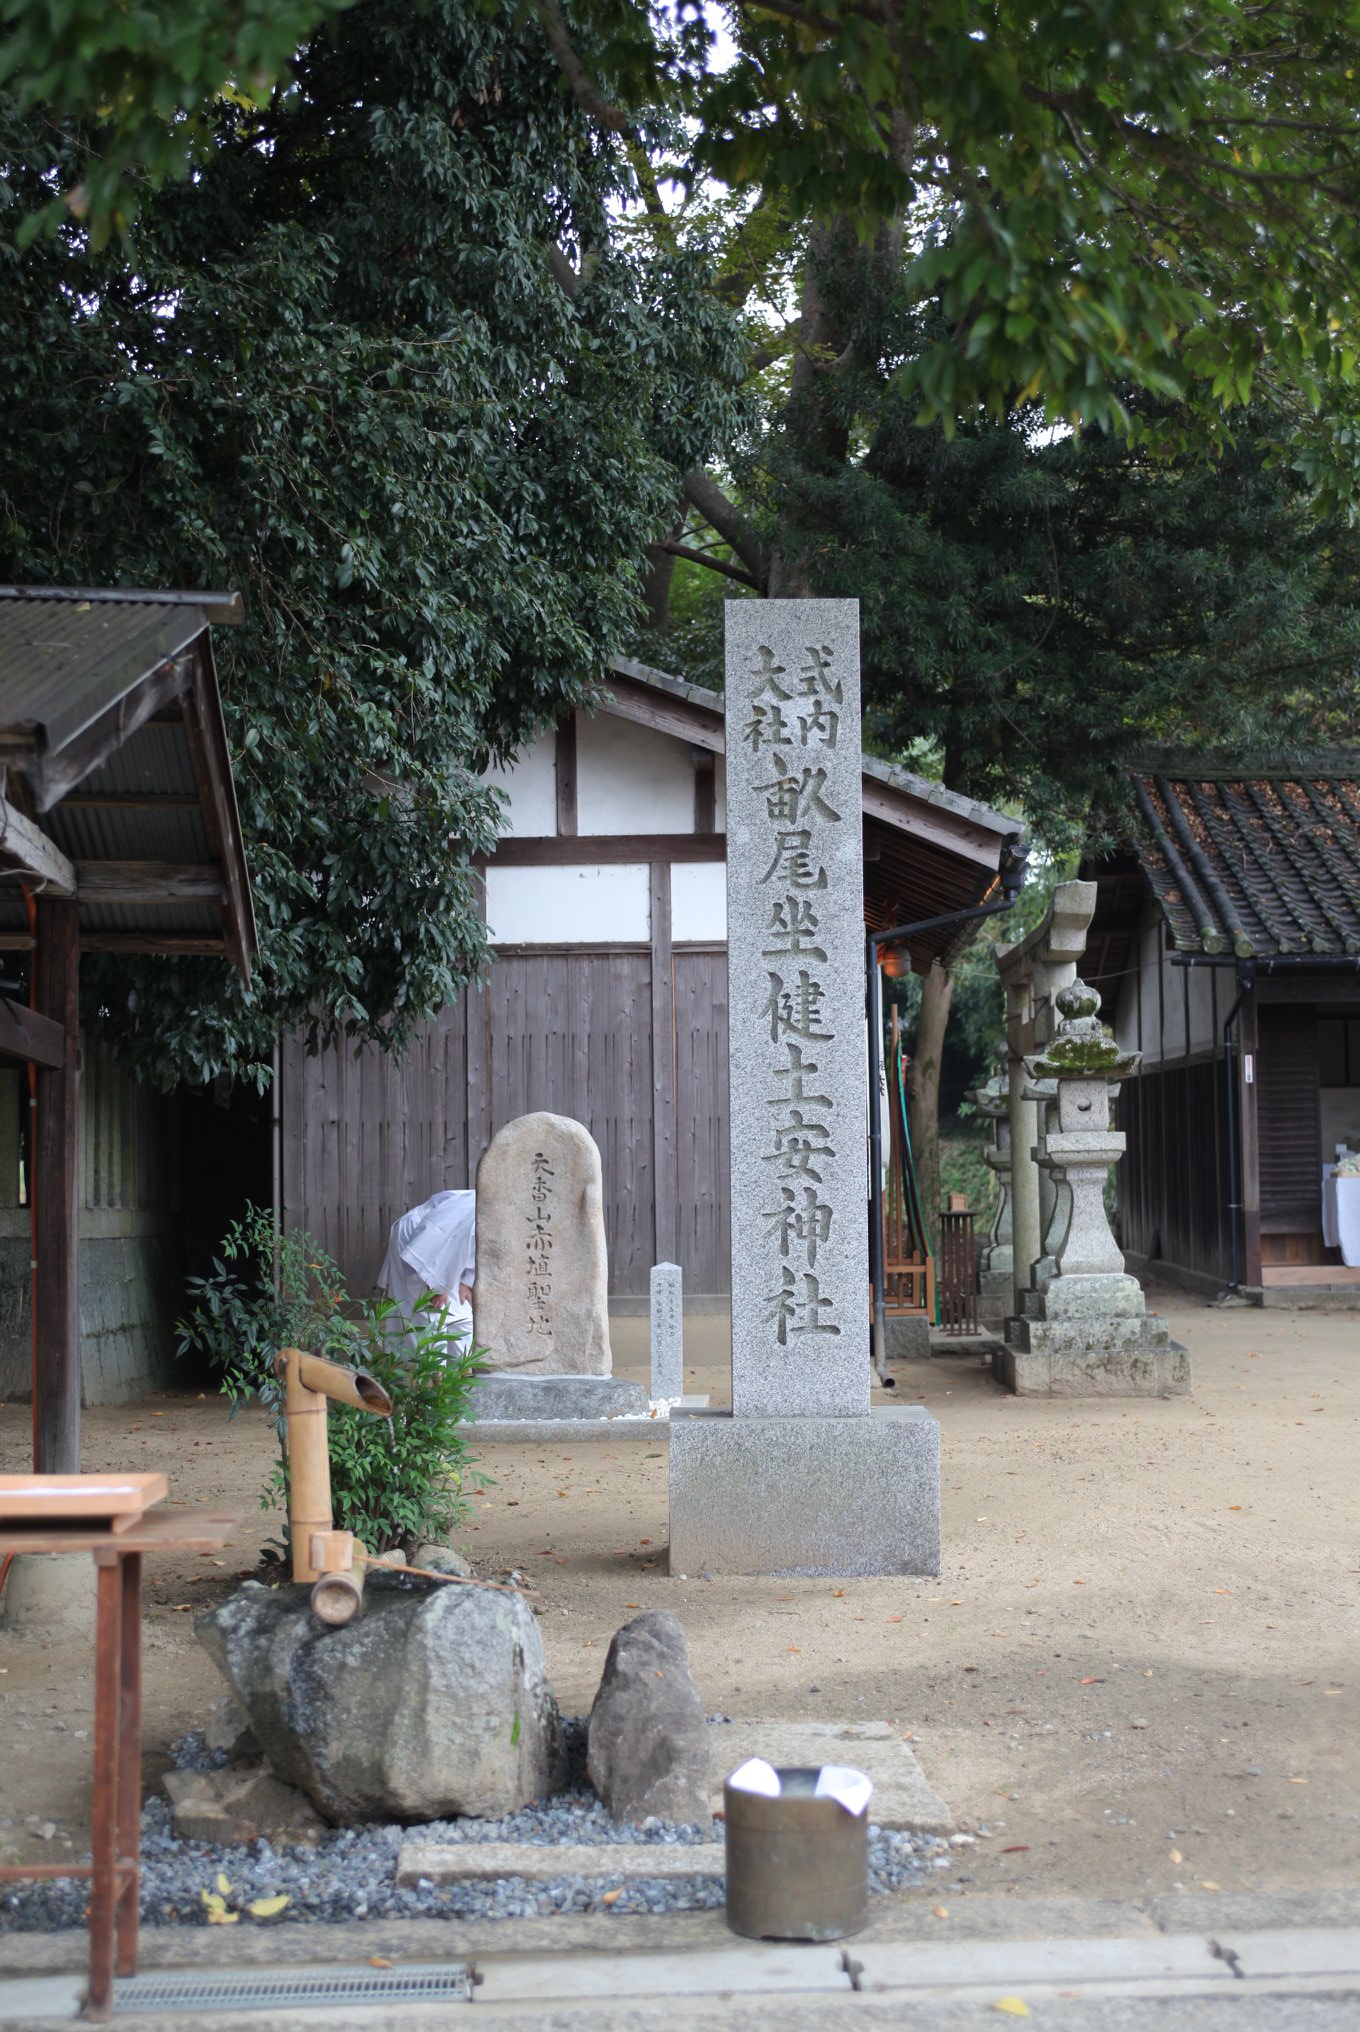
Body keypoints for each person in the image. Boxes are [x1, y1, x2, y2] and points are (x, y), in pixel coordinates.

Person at [377, 1188, 476, 1350]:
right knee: (429, 1315)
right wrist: (438, 1284)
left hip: (450, 1259)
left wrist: (467, 1281)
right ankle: (428, 1366)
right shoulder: (473, 1205)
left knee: (462, 1316)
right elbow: (438, 1232)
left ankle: (461, 1365)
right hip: (421, 1241)